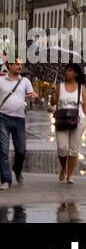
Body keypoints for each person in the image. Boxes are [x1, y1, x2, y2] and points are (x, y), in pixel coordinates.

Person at [0, 58, 37, 190]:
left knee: (21, 151)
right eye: (17, 64)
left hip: (19, 119)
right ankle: (5, 179)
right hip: (2, 118)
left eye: (21, 64)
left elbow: (31, 95)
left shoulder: (25, 81)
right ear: (9, 65)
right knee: (3, 152)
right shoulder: (1, 80)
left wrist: (34, 97)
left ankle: (17, 169)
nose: (20, 66)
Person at [55, 64, 86, 185]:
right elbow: (52, 102)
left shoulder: (81, 88)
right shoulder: (59, 86)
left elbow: (85, 106)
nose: (67, 72)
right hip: (61, 119)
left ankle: (69, 175)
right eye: (66, 70)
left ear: (75, 74)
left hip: (78, 120)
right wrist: (54, 92)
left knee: (74, 150)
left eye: (70, 70)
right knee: (62, 148)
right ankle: (63, 168)